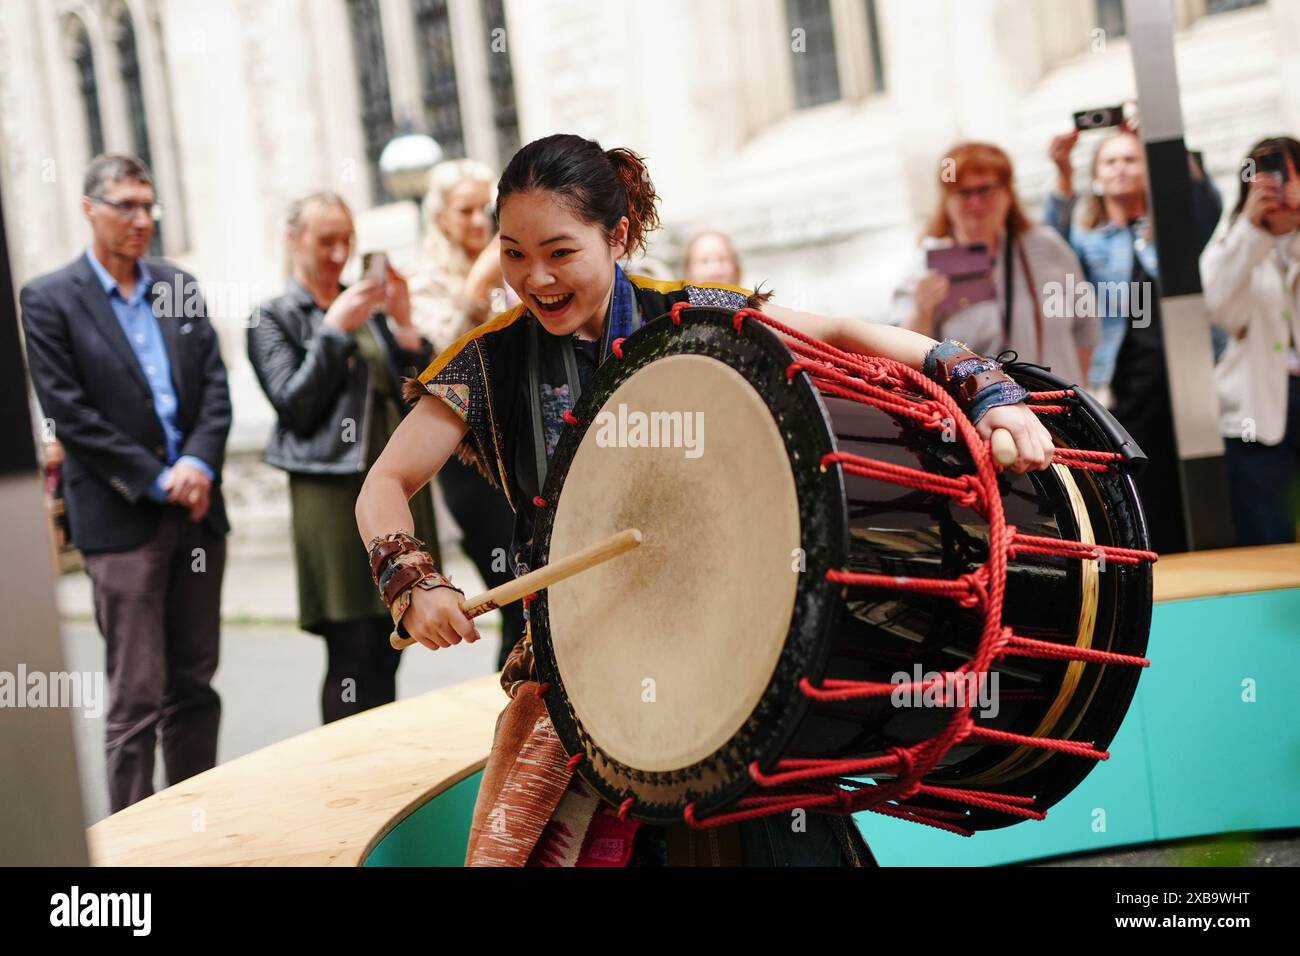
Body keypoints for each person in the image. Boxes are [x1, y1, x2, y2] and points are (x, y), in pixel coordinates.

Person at [355, 133, 1055, 867]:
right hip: (584, 688)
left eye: (561, 252)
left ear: (617, 234)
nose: (537, 278)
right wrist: (412, 584)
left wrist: (986, 390)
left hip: (736, 658)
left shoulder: (695, 314)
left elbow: (843, 333)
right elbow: (384, 485)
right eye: (514, 253)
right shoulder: (492, 359)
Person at [21, 153, 231, 812]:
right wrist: (156, 477)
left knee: (194, 684)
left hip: (197, 512)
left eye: (149, 206)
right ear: (90, 208)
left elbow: (216, 392)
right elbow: (69, 413)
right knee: (137, 694)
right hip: (120, 522)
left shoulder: (179, 285)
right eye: (126, 206)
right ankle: (133, 841)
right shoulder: (49, 299)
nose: (142, 220)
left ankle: (195, 823)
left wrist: (196, 465)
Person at [247, 191, 436, 724]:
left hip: (391, 486)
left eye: (346, 240)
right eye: (324, 240)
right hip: (329, 494)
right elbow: (294, 404)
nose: (338, 253)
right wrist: (332, 331)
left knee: (392, 633)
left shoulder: (367, 309)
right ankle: (345, 764)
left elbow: (420, 393)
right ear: (293, 241)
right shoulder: (272, 317)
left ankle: (381, 760)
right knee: (351, 647)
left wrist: (402, 323)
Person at [1047, 127, 1223, 553]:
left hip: (1188, 370)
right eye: (1111, 161)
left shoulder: (1168, 226)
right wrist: (1062, 172)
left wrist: (1163, 140)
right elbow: (1052, 245)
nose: (1121, 169)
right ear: (1097, 176)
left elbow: (1205, 205)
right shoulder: (1088, 236)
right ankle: (1148, 554)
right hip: (1123, 376)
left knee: (1196, 467)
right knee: (1139, 470)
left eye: (1131, 159)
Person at [409, 160, 524, 669]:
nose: (481, 220)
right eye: (466, 210)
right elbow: (441, 359)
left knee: (541, 592)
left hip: (527, 437)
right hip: (469, 453)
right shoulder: (424, 279)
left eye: (487, 208)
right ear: (440, 217)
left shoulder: (519, 260)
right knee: (511, 592)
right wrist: (478, 285)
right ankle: (513, 712)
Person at [893, 142, 1098, 389]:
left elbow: (1085, 326)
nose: (976, 202)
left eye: (985, 189)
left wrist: (1078, 394)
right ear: (946, 200)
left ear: (1007, 192)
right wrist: (922, 310)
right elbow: (904, 355)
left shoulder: (1046, 246)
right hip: (981, 419)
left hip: (1058, 408)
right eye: (963, 193)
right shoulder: (927, 266)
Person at [1201, 137, 1300, 545]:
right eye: (1263, 178)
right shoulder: (1231, 241)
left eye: (1287, 176)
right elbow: (1218, 309)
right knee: (1264, 532)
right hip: (1252, 414)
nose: (1275, 187)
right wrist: (1250, 229)